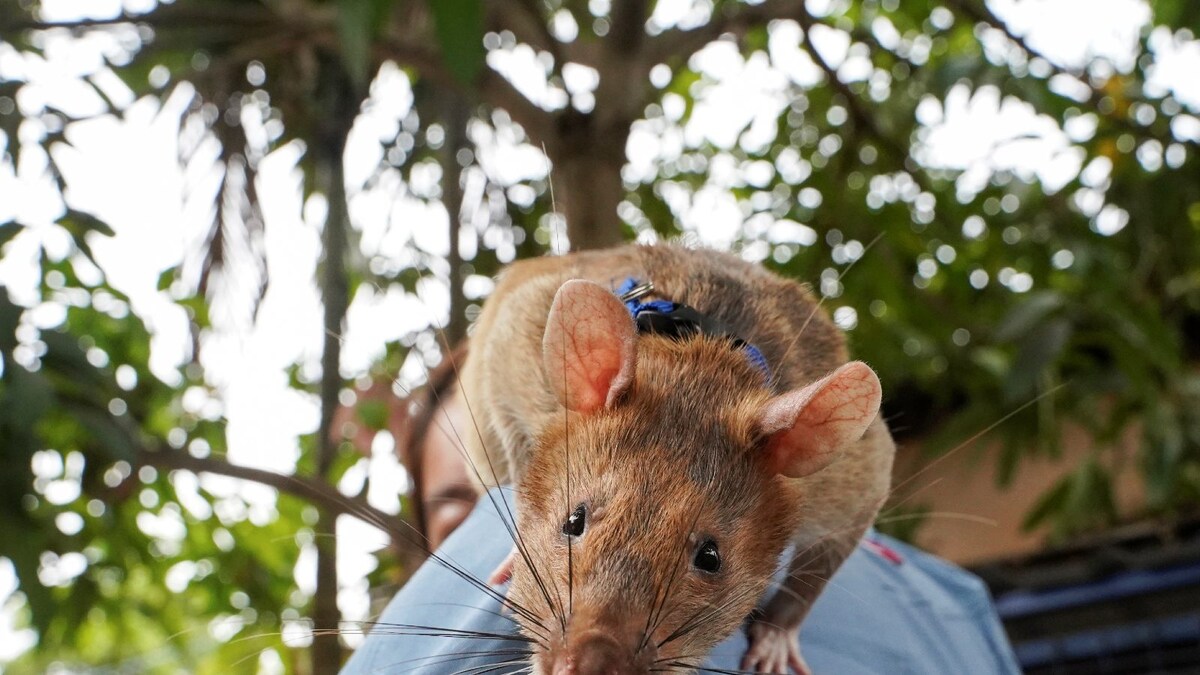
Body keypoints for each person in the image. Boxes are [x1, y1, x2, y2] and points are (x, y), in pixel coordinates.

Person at [341, 348, 1022, 674]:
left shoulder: (471, 603)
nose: (492, 523)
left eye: (499, 498)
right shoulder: (957, 595)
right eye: (466, 508)